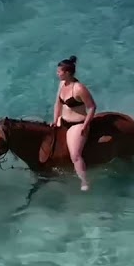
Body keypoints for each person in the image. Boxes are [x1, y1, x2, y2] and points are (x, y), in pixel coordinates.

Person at [52, 56, 95, 191]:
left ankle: (84, 181)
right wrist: (55, 120)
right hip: (63, 120)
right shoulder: (62, 84)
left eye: (59, 71)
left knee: (75, 156)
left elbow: (92, 107)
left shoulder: (79, 89)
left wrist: (85, 125)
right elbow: (58, 103)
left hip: (77, 124)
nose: (57, 73)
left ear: (67, 73)